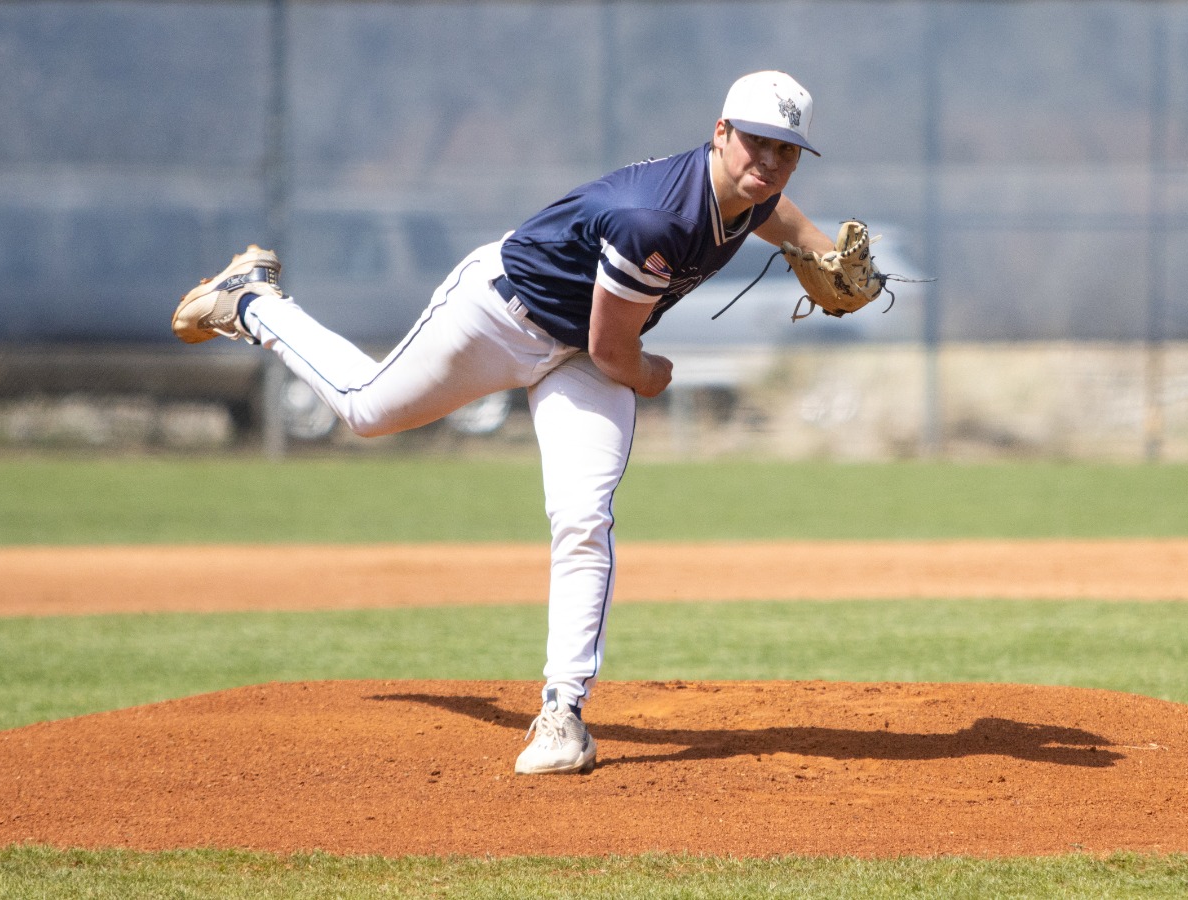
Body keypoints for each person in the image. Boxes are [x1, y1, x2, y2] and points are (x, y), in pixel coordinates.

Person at [173, 71, 840, 775]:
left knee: (583, 517)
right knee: (367, 410)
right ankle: (252, 302)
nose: (769, 162)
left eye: (787, 150)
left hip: (580, 353)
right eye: (758, 143)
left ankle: (562, 713)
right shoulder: (658, 219)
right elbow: (617, 351)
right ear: (721, 133)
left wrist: (826, 258)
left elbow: (776, 216)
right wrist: (649, 376)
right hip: (499, 318)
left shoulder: (743, 193)